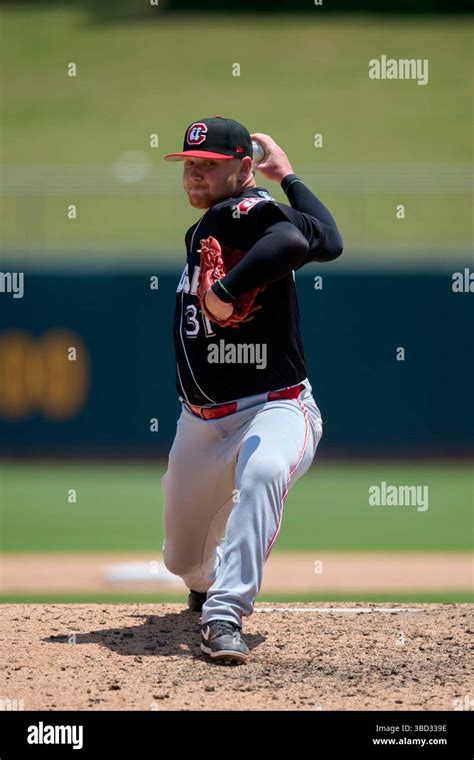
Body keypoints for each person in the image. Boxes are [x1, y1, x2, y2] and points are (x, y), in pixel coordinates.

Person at [161, 116, 343, 664]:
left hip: (277, 406)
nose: (194, 174)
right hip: (201, 422)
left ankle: (226, 615)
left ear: (243, 168)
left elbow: (293, 237)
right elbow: (327, 239)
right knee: (182, 560)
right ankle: (208, 584)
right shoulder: (213, 222)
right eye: (189, 164)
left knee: (262, 471)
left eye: (209, 166)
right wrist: (290, 175)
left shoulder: (242, 210)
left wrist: (226, 289)